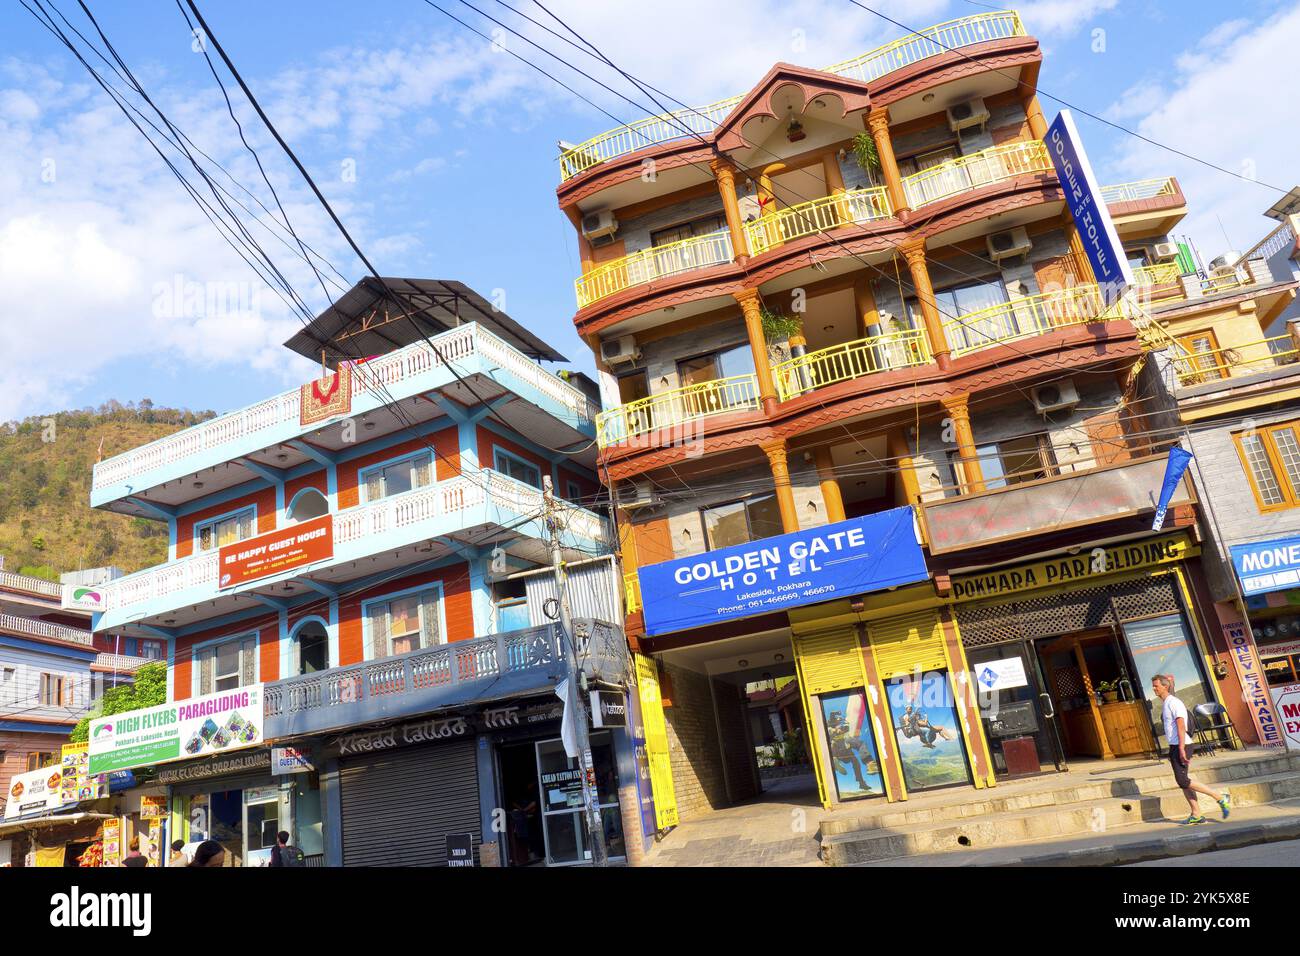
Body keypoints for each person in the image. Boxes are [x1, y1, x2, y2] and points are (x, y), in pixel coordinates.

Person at [1152, 674, 1231, 825]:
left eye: (1156, 685)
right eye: (1154, 686)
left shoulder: (1173, 703)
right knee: (1183, 781)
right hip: (1176, 745)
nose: (1154, 688)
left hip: (1182, 745)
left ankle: (1220, 797)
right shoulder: (1167, 703)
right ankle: (1196, 814)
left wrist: (1181, 748)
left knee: (1183, 780)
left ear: (1165, 686)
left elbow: (1182, 725)